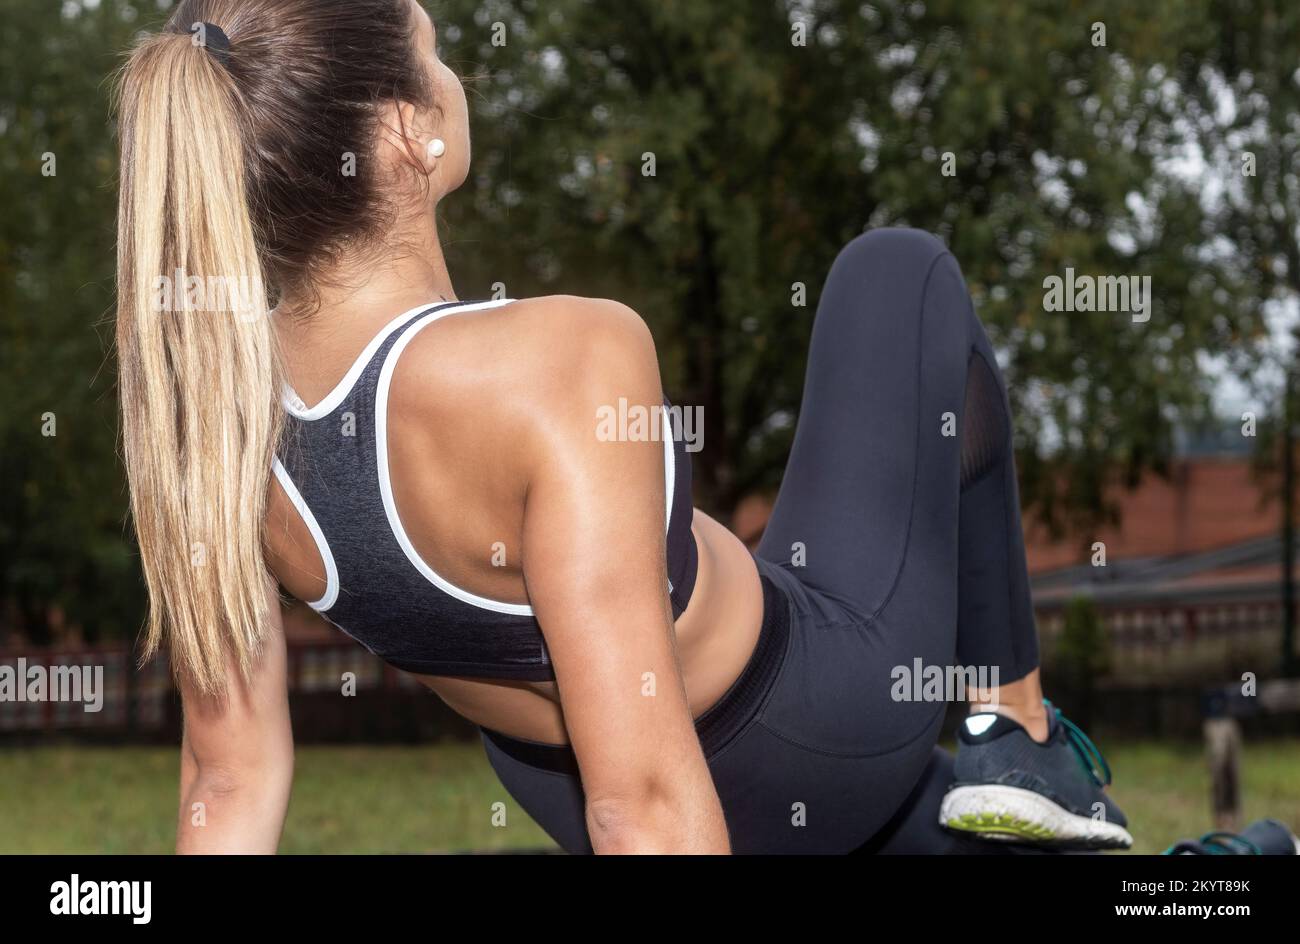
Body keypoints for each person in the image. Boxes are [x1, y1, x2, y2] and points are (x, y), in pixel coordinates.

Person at [116, 0, 1129, 854]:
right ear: (406, 134)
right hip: (796, 726)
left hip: (563, 784)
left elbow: (230, 777)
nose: (454, 74)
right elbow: (643, 799)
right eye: (436, 53)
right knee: (896, 274)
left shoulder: (209, 425)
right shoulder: (559, 359)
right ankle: (1022, 734)